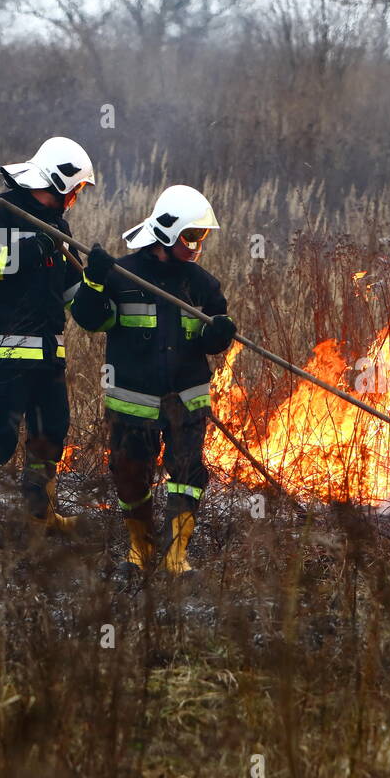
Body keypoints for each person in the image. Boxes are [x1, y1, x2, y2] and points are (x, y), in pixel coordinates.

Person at [70, 185, 236, 576]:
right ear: (166, 232)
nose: (198, 245)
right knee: (130, 474)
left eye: (203, 237)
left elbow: (212, 337)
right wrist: (94, 281)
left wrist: (219, 334)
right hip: (132, 402)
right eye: (191, 236)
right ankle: (140, 549)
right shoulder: (121, 276)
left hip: (186, 399)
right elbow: (89, 320)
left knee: (188, 473)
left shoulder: (203, 285)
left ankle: (177, 556)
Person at [0, 136, 95, 544]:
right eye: (74, 190)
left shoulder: (58, 227)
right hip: (3, 347)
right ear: (56, 181)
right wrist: (34, 246)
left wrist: (100, 284)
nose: (74, 198)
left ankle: (42, 514)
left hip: (48, 351)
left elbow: (72, 294)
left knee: (51, 431)